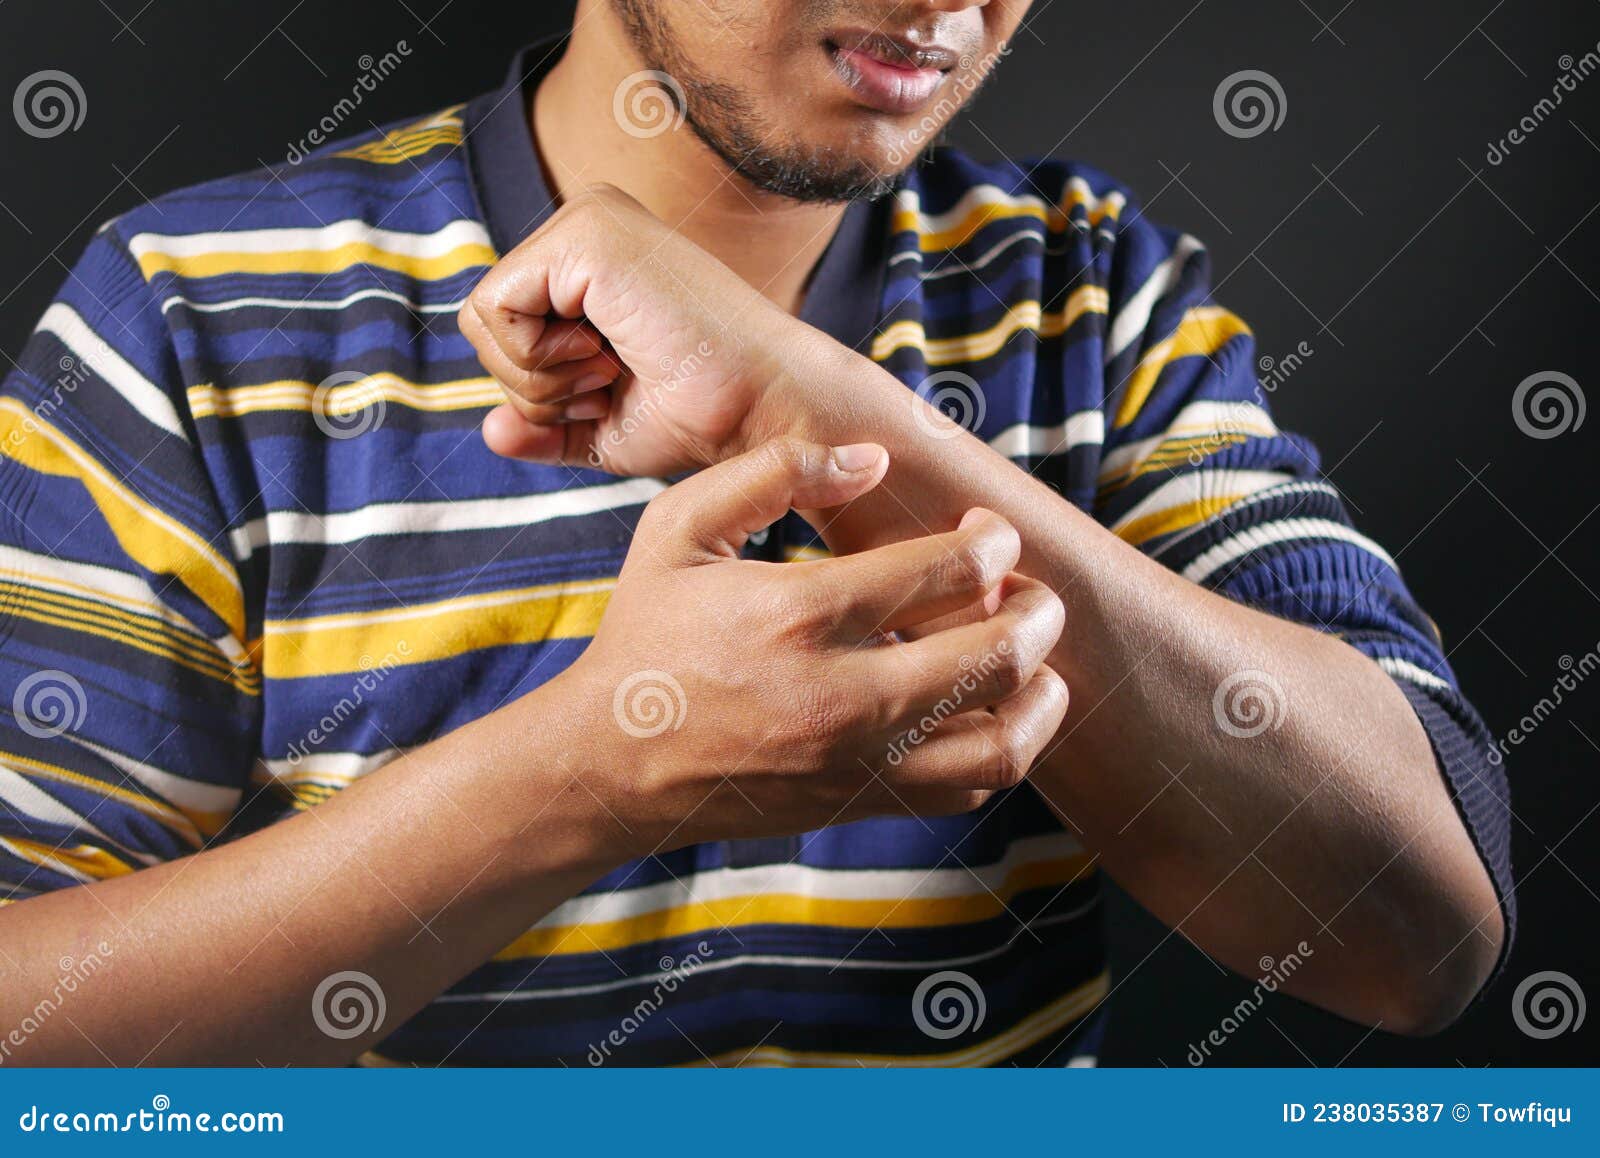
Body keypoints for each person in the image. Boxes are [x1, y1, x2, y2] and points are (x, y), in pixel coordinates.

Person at [0, 1, 1511, 1067]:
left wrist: (822, 410)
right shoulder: (201, 307)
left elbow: (1416, 933)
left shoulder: (1093, 293)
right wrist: (587, 773)